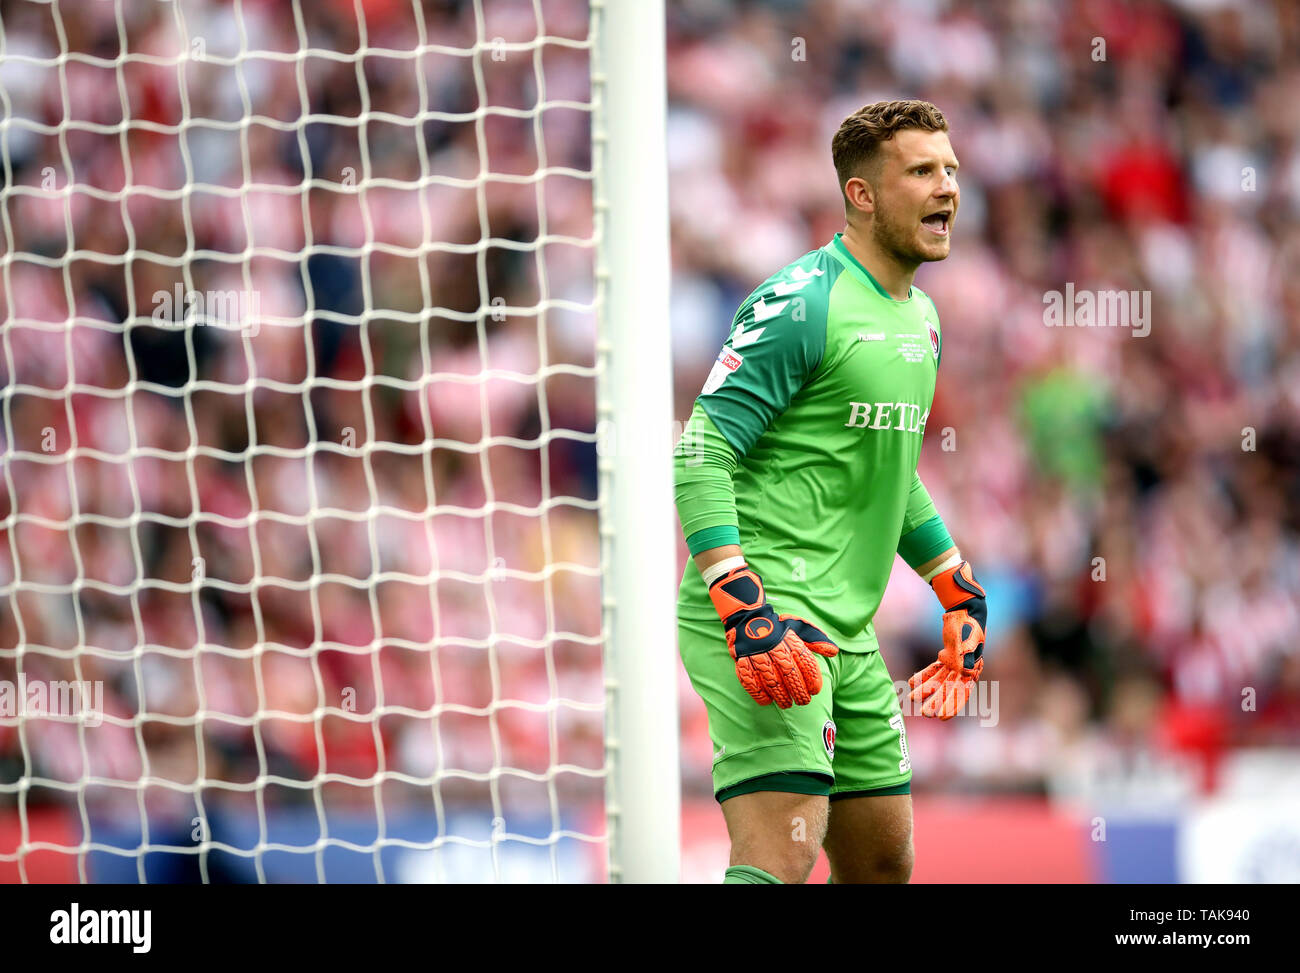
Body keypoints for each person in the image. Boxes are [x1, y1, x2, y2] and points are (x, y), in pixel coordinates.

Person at [674, 99, 988, 884]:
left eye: (950, 169)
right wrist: (740, 602)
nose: (947, 186)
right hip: (764, 612)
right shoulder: (802, 301)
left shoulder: (923, 319)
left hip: (848, 631)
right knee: (783, 850)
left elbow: (887, 465)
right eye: (921, 171)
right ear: (863, 195)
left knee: (883, 861)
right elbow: (701, 447)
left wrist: (955, 584)